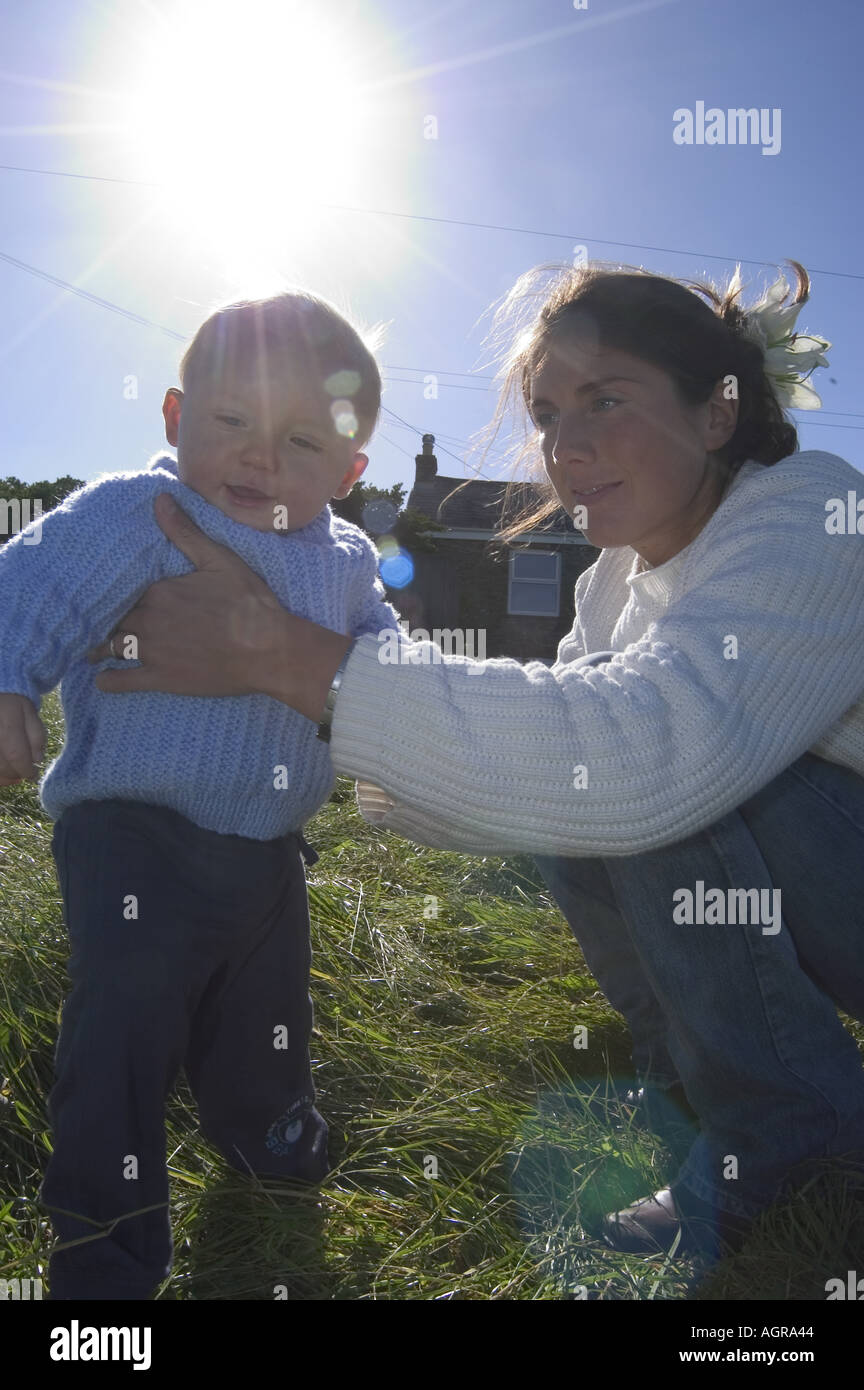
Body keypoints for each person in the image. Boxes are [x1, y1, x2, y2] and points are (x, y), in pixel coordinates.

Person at [84, 260, 864, 1265]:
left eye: (606, 401)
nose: (565, 449)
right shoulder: (613, 583)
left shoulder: (814, 512)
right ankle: (706, 1084)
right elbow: (549, 771)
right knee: (570, 806)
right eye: (546, 414)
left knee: (649, 786)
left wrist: (282, 655)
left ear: (718, 413)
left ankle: (792, 1139)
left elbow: (654, 752)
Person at [0, 290, 402, 1299]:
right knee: (126, 1016)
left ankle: (272, 1141)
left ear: (351, 475)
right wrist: (9, 676)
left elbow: (393, 665)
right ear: (176, 419)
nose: (260, 460)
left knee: (264, 1019)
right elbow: (33, 580)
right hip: (134, 828)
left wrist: (409, 732)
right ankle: (104, 1256)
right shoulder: (141, 511)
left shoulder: (349, 564)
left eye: (301, 441)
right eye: (231, 424)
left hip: (269, 845)